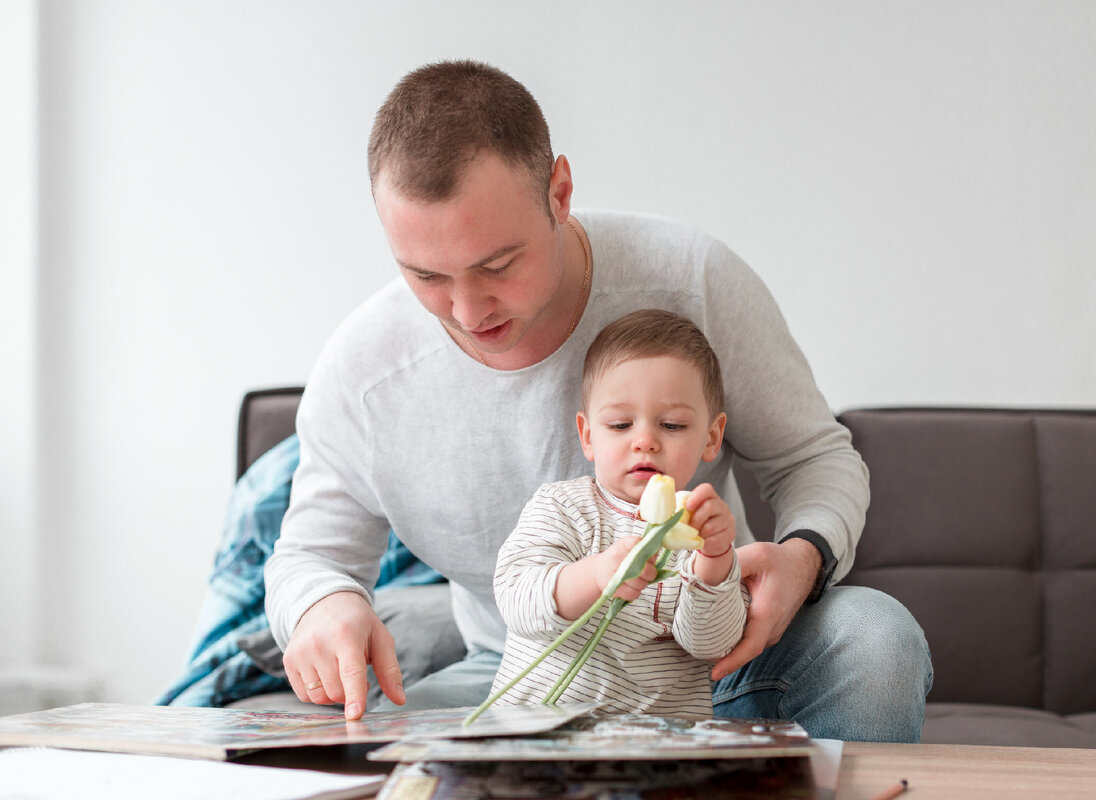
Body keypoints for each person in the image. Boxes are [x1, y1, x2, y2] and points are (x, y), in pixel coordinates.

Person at [264, 59, 932, 741]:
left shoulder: (691, 280)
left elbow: (815, 458)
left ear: (559, 192)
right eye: (426, 276)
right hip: (518, 670)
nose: (467, 311)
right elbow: (309, 557)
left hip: (710, 665)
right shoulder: (364, 373)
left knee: (877, 642)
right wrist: (324, 607)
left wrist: (803, 558)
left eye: (498, 266)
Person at [490, 309, 747, 716]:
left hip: (657, 746)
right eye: (621, 424)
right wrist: (594, 575)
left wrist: (715, 561)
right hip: (541, 734)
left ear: (711, 437)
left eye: (673, 425)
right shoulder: (562, 506)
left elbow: (713, 646)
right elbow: (516, 600)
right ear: (588, 436)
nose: (645, 440)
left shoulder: (703, 529)